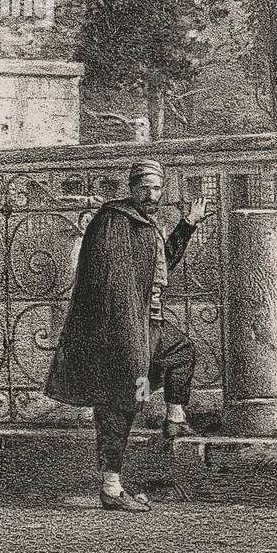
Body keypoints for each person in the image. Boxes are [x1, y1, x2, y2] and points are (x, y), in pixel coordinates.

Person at [45, 159, 209, 512]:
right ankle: (111, 487)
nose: (151, 195)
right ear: (131, 189)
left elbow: (161, 261)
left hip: (149, 326)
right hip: (119, 331)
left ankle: (175, 419)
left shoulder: (146, 225)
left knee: (181, 351)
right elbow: (107, 284)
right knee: (119, 406)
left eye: (156, 189)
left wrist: (187, 225)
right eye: (144, 189)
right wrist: (124, 334)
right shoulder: (111, 222)